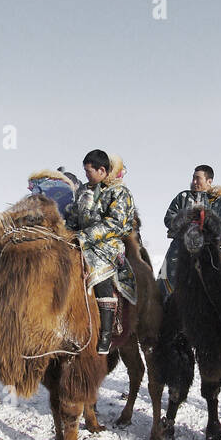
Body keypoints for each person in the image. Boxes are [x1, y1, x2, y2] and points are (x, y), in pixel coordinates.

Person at [70, 149, 138, 355]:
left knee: (99, 274)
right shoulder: (83, 191)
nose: (86, 175)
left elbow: (116, 223)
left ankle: (106, 334)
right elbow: (74, 216)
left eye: (88, 171)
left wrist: (84, 237)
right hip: (79, 240)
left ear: (102, 170)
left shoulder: (119, 192)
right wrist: (66, 232)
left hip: (106, 245)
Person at [160, 164, 221, 297]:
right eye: (193, 178)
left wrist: (211, 231)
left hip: (209, 247)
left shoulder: (219, 202)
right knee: (166, 276)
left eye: (198, 178)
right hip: (180, 245)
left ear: (209, 181)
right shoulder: (182, 197)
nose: (194, 182)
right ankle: (164, 306)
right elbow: (169, 218)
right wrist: (184, 220)